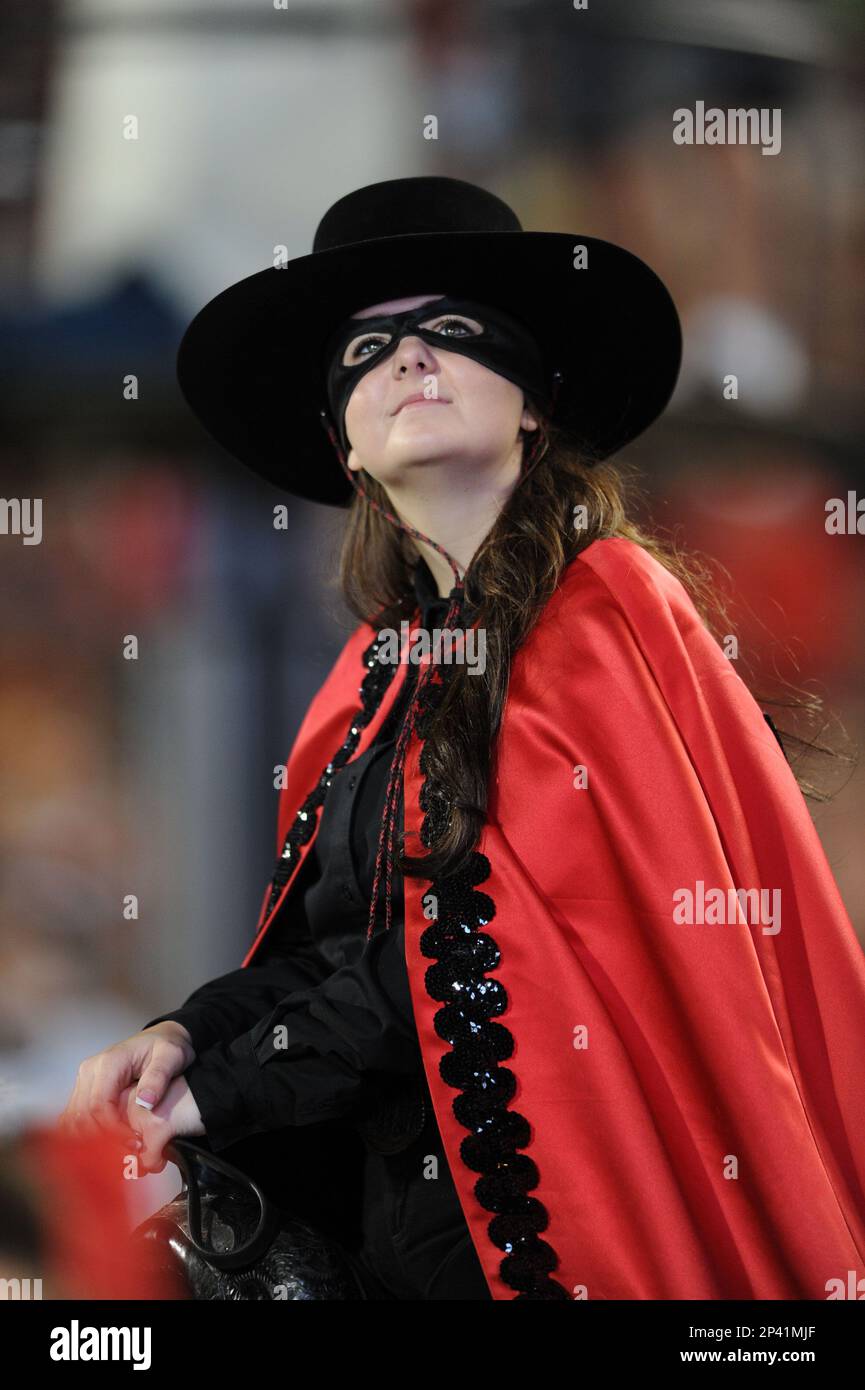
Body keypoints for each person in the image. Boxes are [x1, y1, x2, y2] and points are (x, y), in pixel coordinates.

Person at [61, 176, 865, 1301]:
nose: (408, 359)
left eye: (452, 332)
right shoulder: (371, 678)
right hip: (402, 1238)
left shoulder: (607, 611)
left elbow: (495, 945)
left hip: (567, 1233)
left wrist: (234, 1087)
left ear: (533, 404)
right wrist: (188, 1035)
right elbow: (336, 948)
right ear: (344, 445)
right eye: (367, 352)